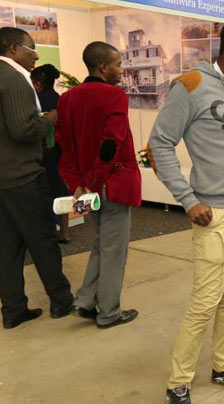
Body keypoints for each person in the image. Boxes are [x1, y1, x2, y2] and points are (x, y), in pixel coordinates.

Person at [148, 17, 224, 404]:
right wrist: (187, 199)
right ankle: (178, 384)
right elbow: (159, 144)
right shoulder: (191, 86)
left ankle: (223, 365)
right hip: (217, 213)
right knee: (205, 301)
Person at [57, 42, 140, 329]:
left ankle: (85, 300)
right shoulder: (114, 96)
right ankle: (109, 312)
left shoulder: (67, 99)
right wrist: (93, 183)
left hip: (87, 187)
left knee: (102, 242)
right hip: (111, 184)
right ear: (103, 67)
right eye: (118, 64)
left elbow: (64, 148)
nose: (121, 70)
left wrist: (78, 185)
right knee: (114, 250)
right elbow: (110, 145)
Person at [0, 27, 73, 329]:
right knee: (43, 240)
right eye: (32, 48)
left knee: (8, 248)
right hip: (22, 176)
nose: (36, 55)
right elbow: (23, 130)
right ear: (13, 49)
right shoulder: (14, 79)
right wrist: (49, 120)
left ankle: (13, 310)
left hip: (4, 178)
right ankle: (61, 301)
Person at [31, 63, 70, 243]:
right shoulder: (60, 99)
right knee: (60, 191)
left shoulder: (36, 102)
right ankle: (64, 233)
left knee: (42, 195)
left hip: (42, 154)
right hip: (60, 152)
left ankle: (46, 232)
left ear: (38, 83)